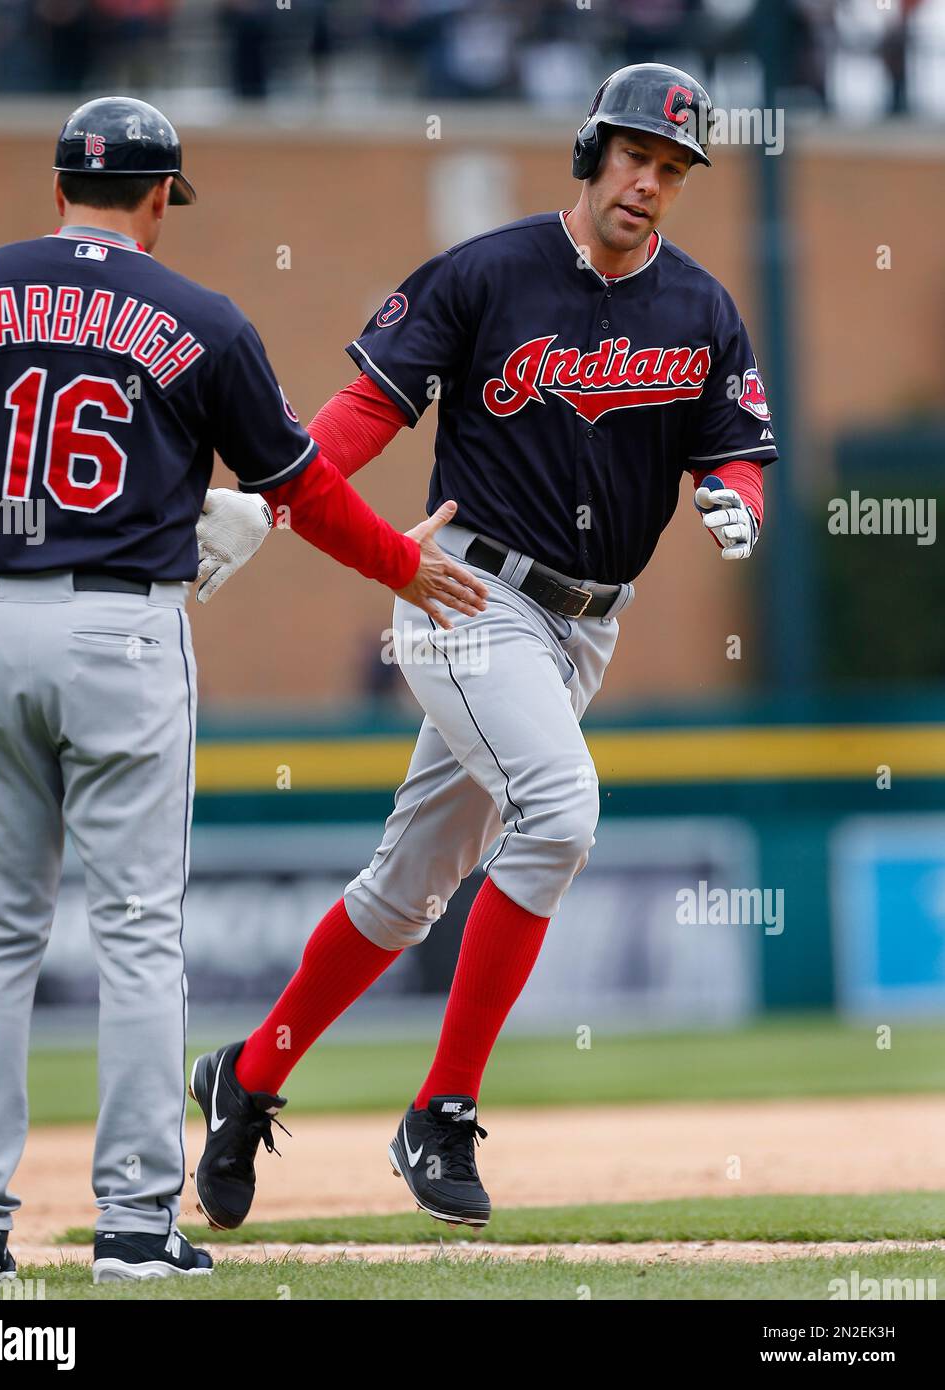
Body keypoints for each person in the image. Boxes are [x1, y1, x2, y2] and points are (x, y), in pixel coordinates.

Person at [189, 63, 775, 1231]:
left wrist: (740, 501)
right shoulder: (485, 272)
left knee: (405, 891)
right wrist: (277, 486)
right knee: (558, 809)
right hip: (462, 593)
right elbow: (371, 407)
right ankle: (441, 1110)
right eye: (634, 159)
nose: (650, 185)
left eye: (671, 170)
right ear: (586, 154)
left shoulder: (701, 308)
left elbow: (738, 446)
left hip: (582, 627)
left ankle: (244, 1080)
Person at [0, 95, 484, 1288]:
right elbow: (299, 488)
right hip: (123, 629)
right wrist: (402, 562)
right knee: (135, 939)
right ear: (157, 200)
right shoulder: (200, 315)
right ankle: (132, 1231)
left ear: (58, 185)